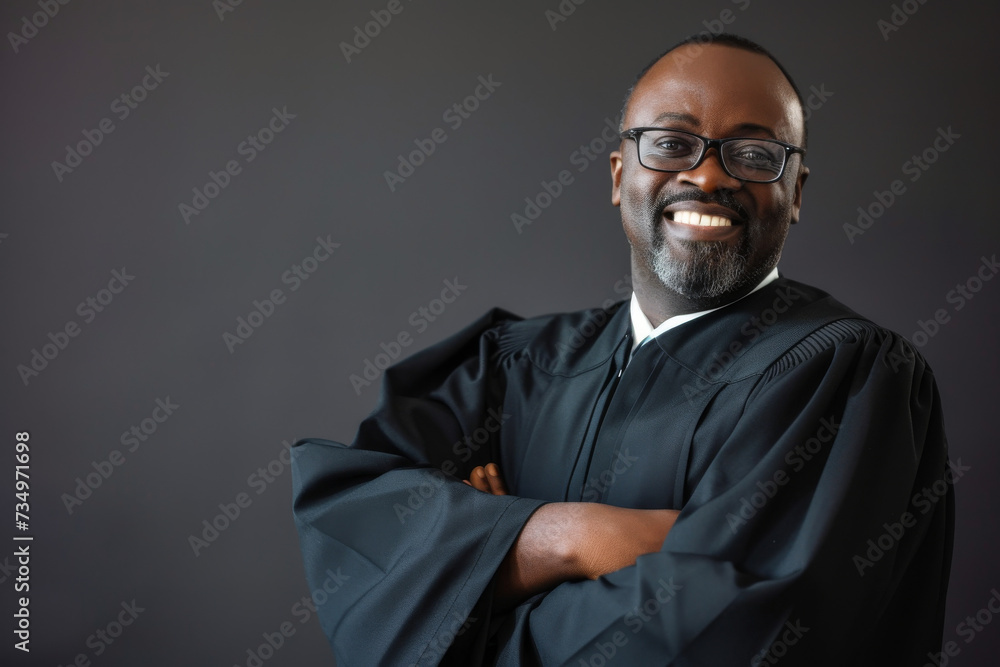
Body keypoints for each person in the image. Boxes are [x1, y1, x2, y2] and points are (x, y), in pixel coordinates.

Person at [291, 34, 953, 666]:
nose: (708, 174)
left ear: (796, 191)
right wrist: (563, 535)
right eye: (671, 143)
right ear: (618, 175)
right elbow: (355, 537)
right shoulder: (513, 365)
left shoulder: (846, 377)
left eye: (754, 155)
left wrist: (475, 576)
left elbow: (728, 636)